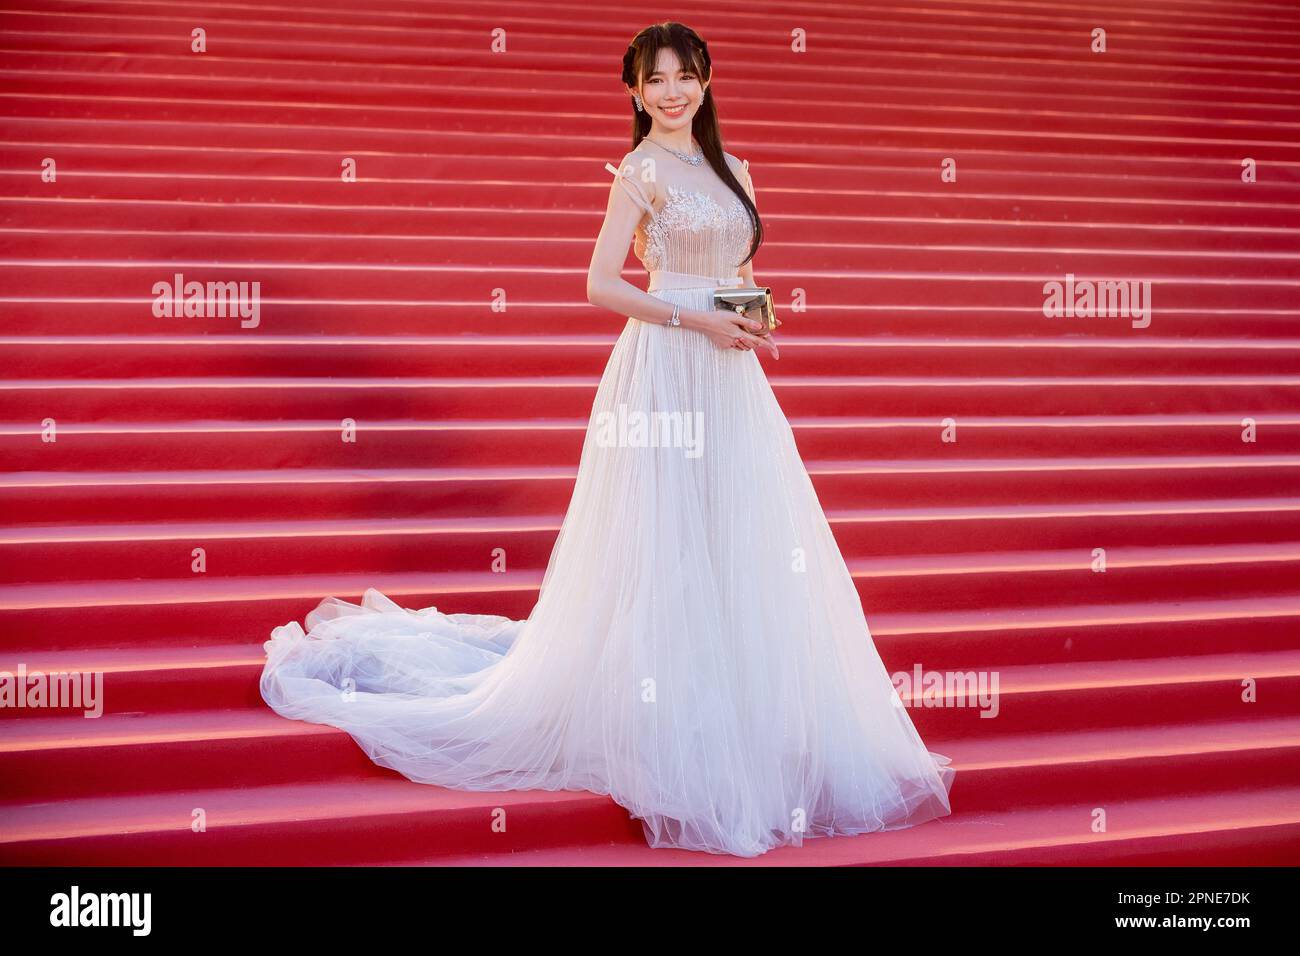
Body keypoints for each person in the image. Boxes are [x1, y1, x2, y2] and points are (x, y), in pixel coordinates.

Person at [260, 20, 954, 859]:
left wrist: (750, 317)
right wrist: (694, 316)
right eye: (655, 79)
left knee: (740, 538)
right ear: (633, 89)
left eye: (685, 76)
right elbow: (598, 282)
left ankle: (737, 708)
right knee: (666, 541)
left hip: (730, 380)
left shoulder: (736, 171)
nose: (672, 92)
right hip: (662, 368)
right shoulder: (640, 170)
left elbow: (734, 274)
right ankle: (667, 718)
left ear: (706, 80)